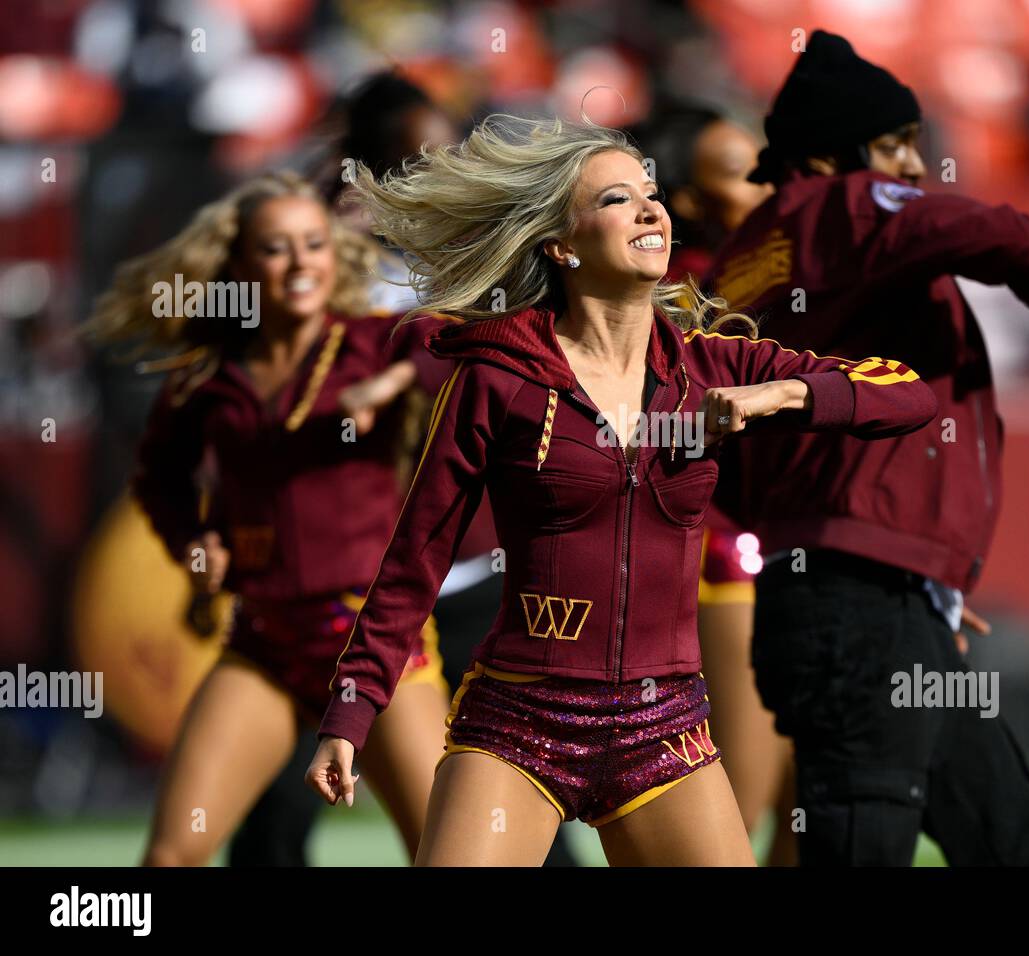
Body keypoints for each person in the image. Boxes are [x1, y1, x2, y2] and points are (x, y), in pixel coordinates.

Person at [304, 115, 938, 866]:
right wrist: (349, 713)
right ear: (561, 244)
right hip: (518, 722)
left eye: (652, 194)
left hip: (664, 727)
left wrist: (783, 396)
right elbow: (414, 561)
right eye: (616, 199)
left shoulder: (715, 366)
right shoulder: (496, 378)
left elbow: (909, 394)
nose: (650, 210)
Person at [703, 30, 1029, 866]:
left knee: (1013, 839)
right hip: (866, 606)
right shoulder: (846, 206)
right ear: (828, 159)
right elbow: (1002, 231)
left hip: (847, 593)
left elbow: (731, 467)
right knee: (868, 839)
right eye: (895, 146)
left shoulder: (742, 262)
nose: (915, 169)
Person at [88, 171, 450, 865]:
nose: (299, 262)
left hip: (373, 641)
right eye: (275, 248)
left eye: (313, 244)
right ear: (241, 266)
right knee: (170, 854)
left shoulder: (375, 343)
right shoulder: (207, 378)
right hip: (262, 640)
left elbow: (453, 351)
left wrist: (395, 383)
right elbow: (157, 481)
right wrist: (195, 547)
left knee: (445, 852)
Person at [629, 104, 795, 862]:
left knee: (819, 805)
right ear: (689, 202)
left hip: (802, 543)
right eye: (741, 175)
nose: (768, 185)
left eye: (766, 164)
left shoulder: (789, 262)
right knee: (741, 809)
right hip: (728, 550)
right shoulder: (683, 293)